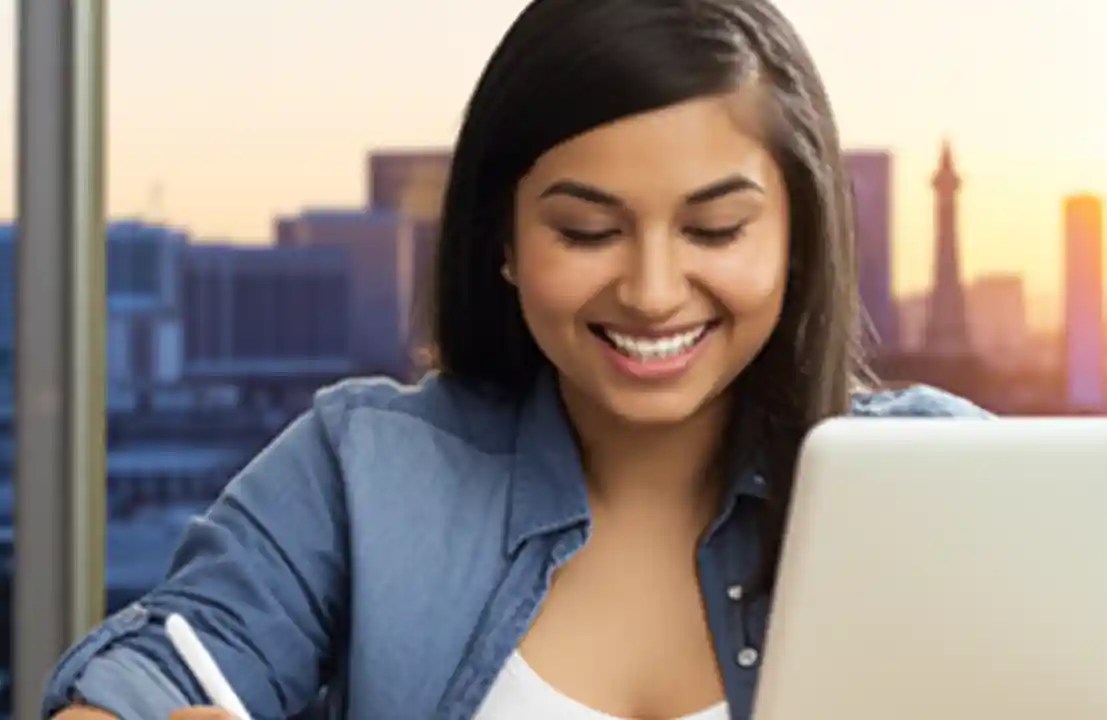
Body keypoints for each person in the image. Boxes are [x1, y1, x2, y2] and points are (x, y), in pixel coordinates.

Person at [49, 0, 988, 718]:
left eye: (714, 228)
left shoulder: (942, 480)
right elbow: (162, 664)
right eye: (586, 231)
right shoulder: (365, 472)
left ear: (798, 237)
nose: (654, 291)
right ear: (503, 240)